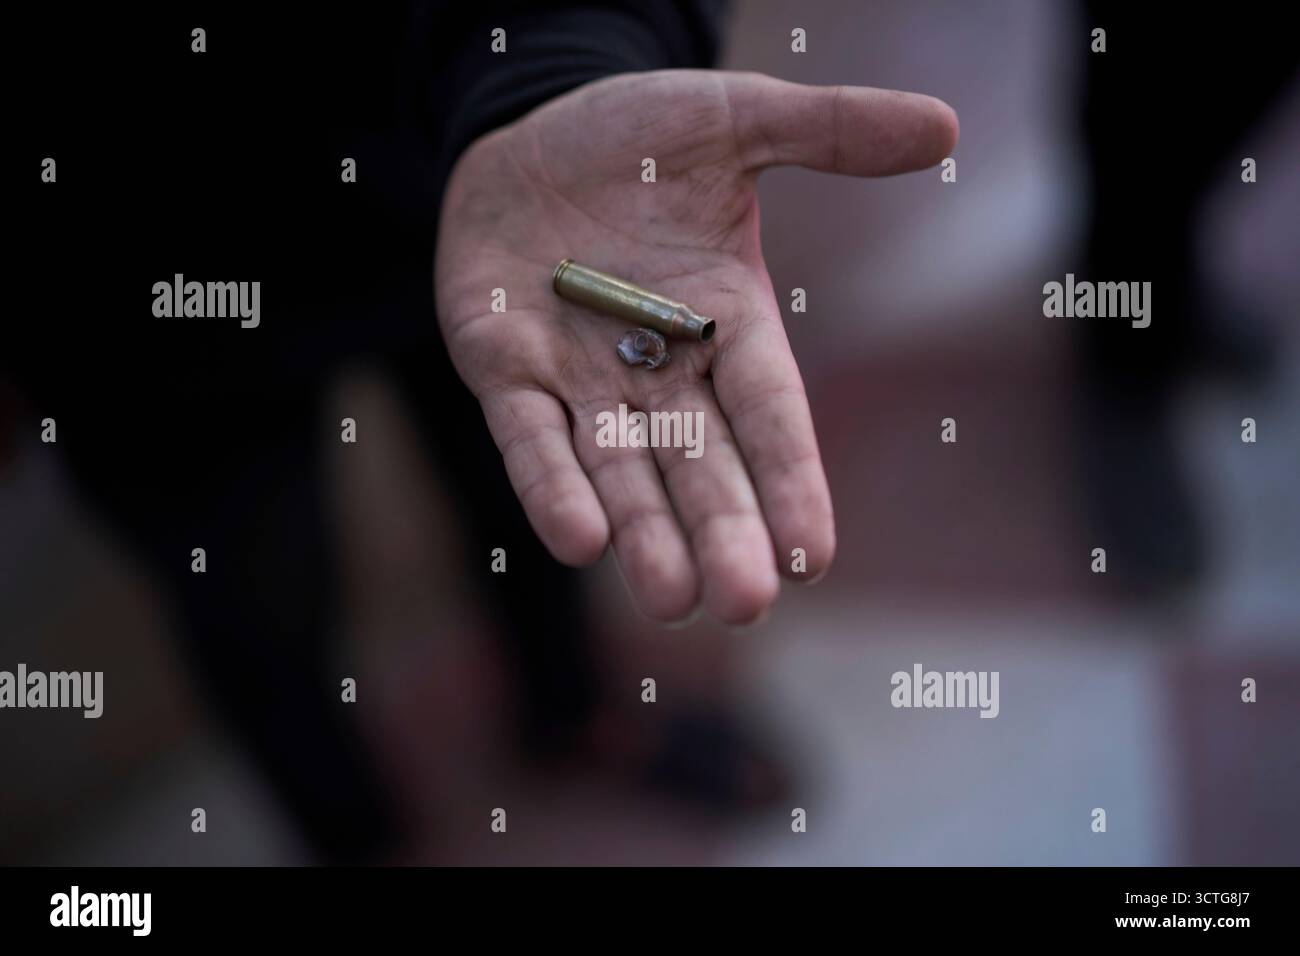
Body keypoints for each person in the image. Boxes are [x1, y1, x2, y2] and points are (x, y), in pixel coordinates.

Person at [9, 2, 956, 861]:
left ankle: (570, 713)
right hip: (123, 279)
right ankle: (352, 835)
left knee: (531, 464)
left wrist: (563, 55)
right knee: (252, 595)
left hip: (464, 180)